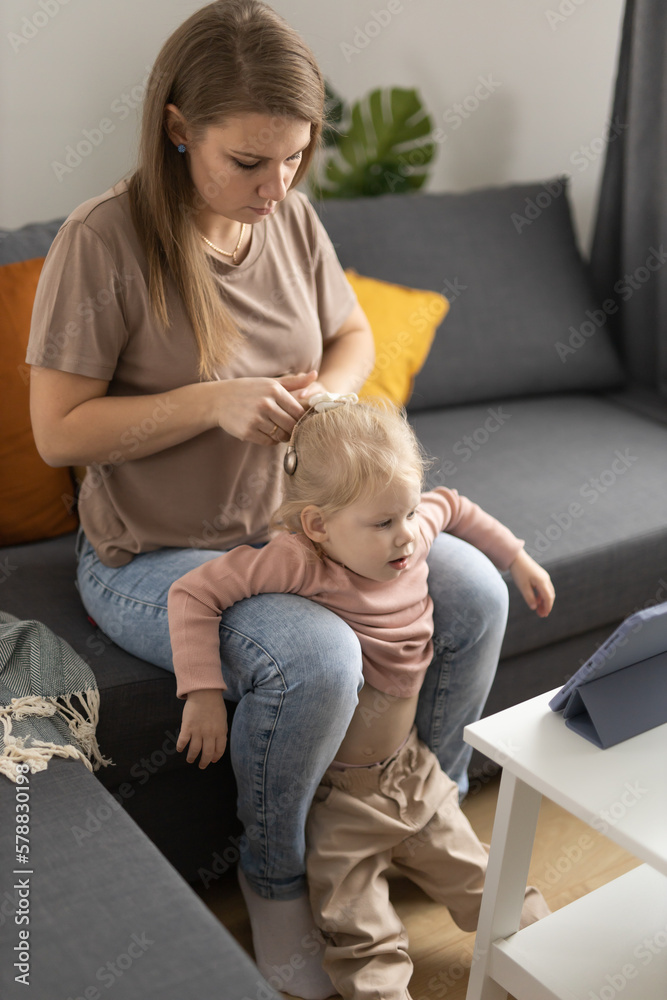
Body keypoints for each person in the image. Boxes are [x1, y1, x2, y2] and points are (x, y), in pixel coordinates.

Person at [25, 2, 527, 996]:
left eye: (293, 157)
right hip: (154, 555)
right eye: (248, 161)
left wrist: (329, 392)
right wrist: (213, 403)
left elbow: (350, 339)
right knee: (316, 656)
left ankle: (412, 814)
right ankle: (276, 877)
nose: (276, 184)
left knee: (474, 592)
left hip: (294, 530)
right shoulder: (104, 240)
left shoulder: (289, 215)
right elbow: (59, 432)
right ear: (179, 127)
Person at [168, 395, 554, 1000]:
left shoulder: (412, 532)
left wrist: (519, 558)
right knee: (366, 943)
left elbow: (451, 505)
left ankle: (555, 971)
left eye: (405, 514)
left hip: (414, 775)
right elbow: (193, 594)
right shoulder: (300, 562)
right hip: (340, 806)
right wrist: (203, 692)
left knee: (500, 891)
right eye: (382, 524)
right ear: (319, 526)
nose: (406, 537)